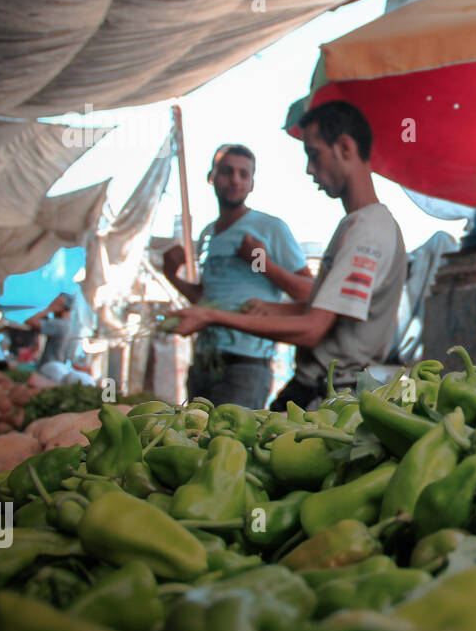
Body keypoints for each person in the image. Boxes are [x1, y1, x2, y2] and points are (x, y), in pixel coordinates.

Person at [171, 101, 406, 411]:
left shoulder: (367, 231)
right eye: (226, 172)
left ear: (345, 148)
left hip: (332, 392)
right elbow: (332, 315)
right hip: (310, 384)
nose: (309, 169)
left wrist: (212, 315)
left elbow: (314, 328)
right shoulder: (355, 225)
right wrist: (274, 310)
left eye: (313, 154)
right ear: (211, 177)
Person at [162, 143, 313, 408]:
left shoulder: (270, 228)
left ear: (252, 183)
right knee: (195, 441)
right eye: (227, 171)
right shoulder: (208, 233)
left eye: (244, 174)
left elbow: (310, 292)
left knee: (231, 444)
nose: (235, 180)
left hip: (246, 365)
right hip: (204, 361)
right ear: (211, 177)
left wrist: (261, 263)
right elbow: (206, 298)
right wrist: (171, 276)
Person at [24, 293, 78, 367]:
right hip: (59, 368)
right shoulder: (72, 326)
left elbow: (30, 321)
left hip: (48, 368)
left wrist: (49, 309)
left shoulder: (60, 324)